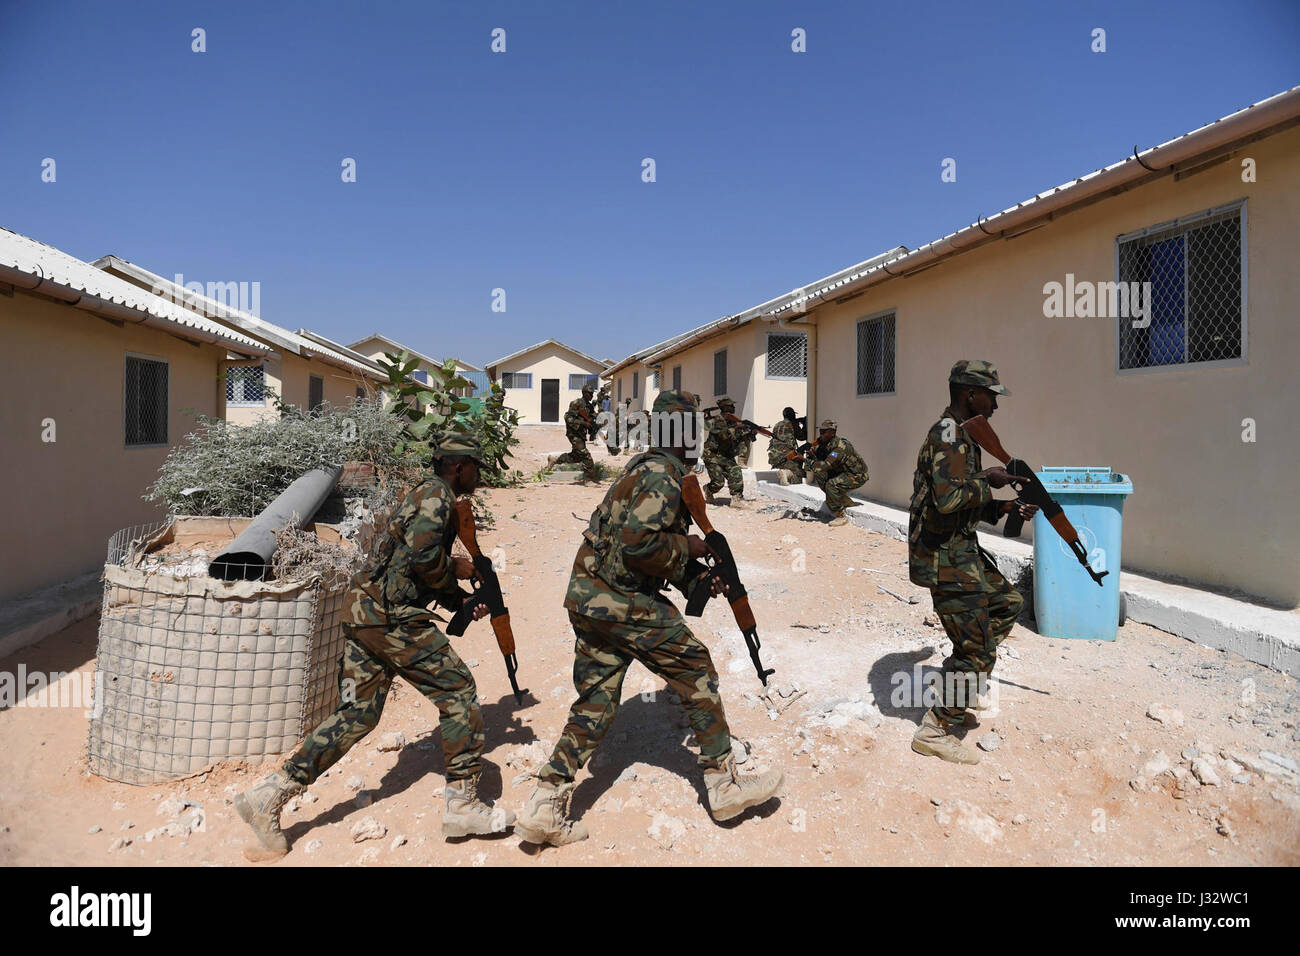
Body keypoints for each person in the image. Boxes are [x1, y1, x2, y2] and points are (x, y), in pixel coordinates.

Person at [516, 390, 784, 847]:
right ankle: (725, 785)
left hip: (588, 597)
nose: (698, 436)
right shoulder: (663, 475)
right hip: (622, 601)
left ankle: (546, 800)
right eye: (692, 428)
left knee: (595, 702)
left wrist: (693, 576)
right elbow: (641, 542)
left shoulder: (644, 466)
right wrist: (693, 548)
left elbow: (637, 545)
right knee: (695, 668)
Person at [233, 434, 515, 859]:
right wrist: (456, 569)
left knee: (357, 715)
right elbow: (424, 561)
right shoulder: (438, 496)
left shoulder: (426, 492)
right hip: (392, 618)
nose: (479, 473)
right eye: (476, 465)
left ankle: (269, 795)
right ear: (459, 467)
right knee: (458, 693)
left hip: (365, 613)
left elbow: (412, 565)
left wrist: (459, 601)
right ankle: (462, 806)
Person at [907, 360, 1037, 764]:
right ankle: (936, 727)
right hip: (944, 556)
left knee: (1007, 604)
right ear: (970, 395)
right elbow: (947, 502)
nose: (995, 406)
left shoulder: (962, 437)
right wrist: (989, 479)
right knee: (978, 649)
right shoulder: (948, 436)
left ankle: (960, 681)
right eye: (991, 396)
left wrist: (1003, 508)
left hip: (960, 548)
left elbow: (960, 499)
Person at [805, 420, 867, 526]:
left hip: (857, 475)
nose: (821, 434)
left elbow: (825, 465)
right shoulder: (825, 445)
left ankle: (840, 515)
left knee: (831, 484)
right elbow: (819, 466)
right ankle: (844, 500)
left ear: (832, 433)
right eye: (820, 431)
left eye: (824, 432)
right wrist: (811, 456)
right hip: (842, 473)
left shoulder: (840, 447)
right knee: (820, 476)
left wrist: (804, 460)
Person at [702, 396, 750, 507]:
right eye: (731, 405)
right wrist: (737, 428)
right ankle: (708, 490)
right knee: (718, 482)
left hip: (726, 455)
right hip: (712, 455)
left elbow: (735, 438)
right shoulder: (717, 420)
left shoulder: (733, 421)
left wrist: (747, 433)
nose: (733, 407)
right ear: (725, 407)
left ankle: (736, 499)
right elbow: (722, 434)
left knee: (736, 470)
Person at [550, 385, 600, 481]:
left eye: (592, 394)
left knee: (576, 457)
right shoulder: (576, 403)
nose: (591, 396)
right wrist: (583, 423)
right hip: (574, 433)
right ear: (584, 393)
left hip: (581, 434)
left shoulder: (589, 406)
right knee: (586, 455)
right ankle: (589, 479)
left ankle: (555, 460)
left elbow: (592, 416)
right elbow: (568, 418)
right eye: (590, 393)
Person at [767, 406, 805, 486]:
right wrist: (805, 425)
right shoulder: (792, 424)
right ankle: (787, 473)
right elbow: (802, 437)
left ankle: (785, 473)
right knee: (800, 475)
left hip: (775, 457)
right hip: (788, 456)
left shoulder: (777, 425)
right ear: (793, 415)